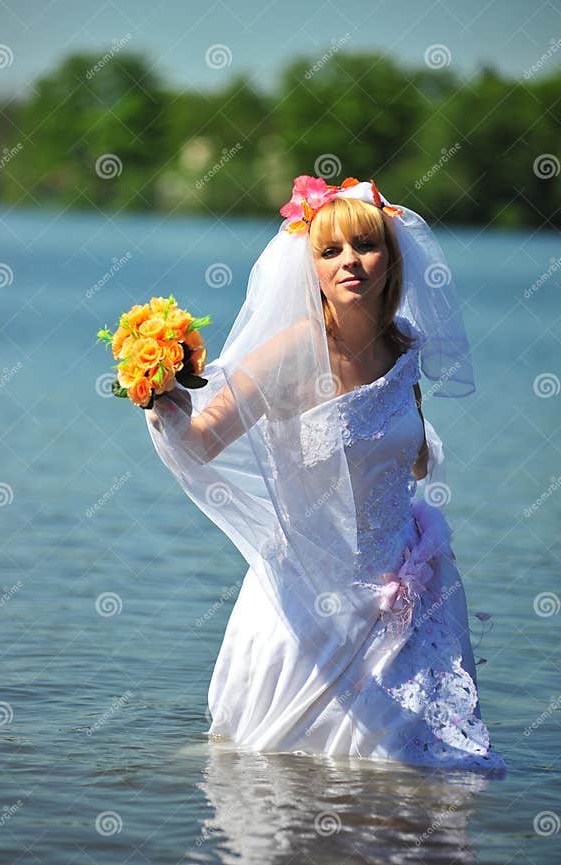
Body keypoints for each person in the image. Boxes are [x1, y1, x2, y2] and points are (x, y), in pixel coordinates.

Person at [145, 175, 507, 772]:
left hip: (406, 591)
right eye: (330, 251)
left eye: (365, 246)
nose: (350, 263)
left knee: (428, 768)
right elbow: (204, 440)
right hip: (312, 595)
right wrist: (162, 399)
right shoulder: (291, 351)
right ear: (309, 267)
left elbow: (411, 452)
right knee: (287, 775)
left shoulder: (404, 348)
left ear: (391, 259)